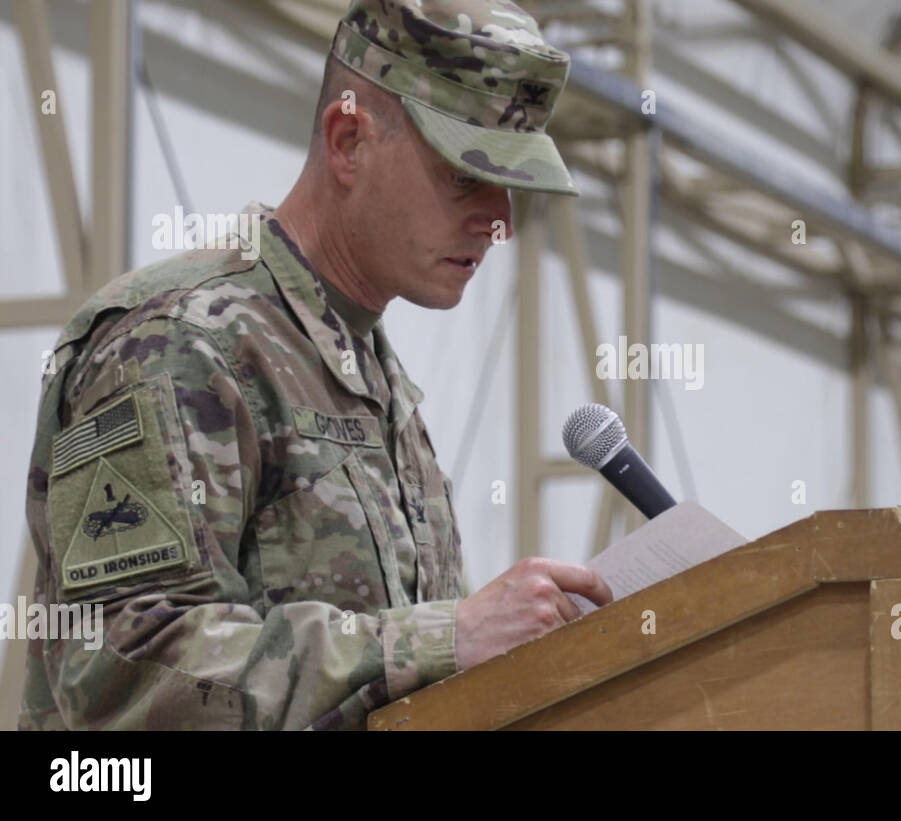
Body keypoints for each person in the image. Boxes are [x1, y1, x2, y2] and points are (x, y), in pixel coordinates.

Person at [19, 0, 611, 731]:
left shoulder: (377, 384)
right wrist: (444, 637)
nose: (501, 222)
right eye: (466, 177)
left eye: (509, 186)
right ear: (349, 140)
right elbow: (122, 673)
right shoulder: (178, 342)